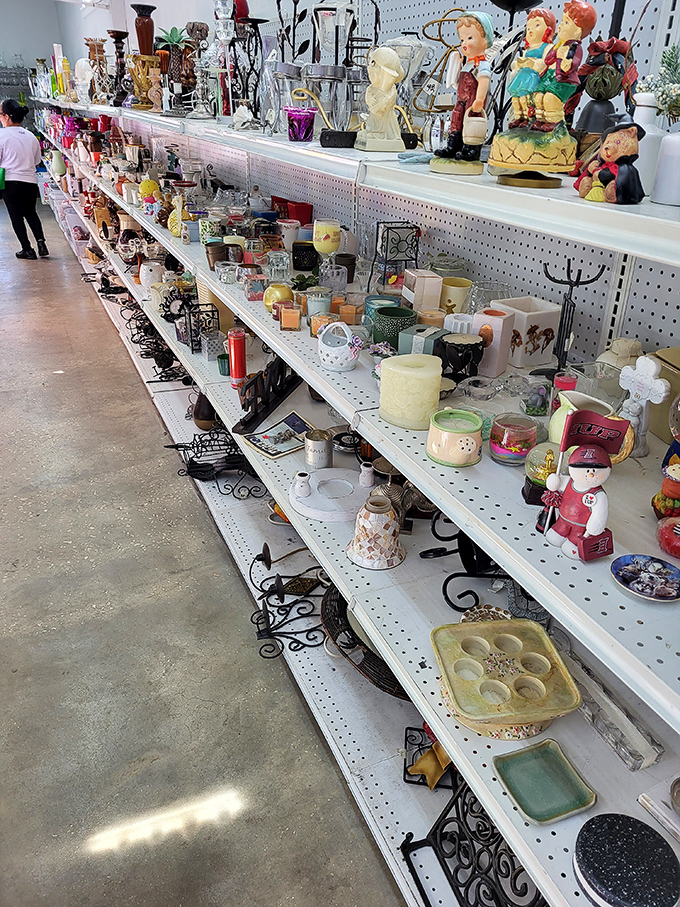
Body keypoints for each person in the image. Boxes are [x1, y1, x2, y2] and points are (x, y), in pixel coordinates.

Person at [0, 98, 49, 259]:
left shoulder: (1, 135)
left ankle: (27, 249)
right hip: (30, 182)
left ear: (7, 116)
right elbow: (37, 160)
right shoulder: (31, 136)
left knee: (16, 217)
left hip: (10, 182)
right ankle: (41, 244)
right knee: (31, 213)